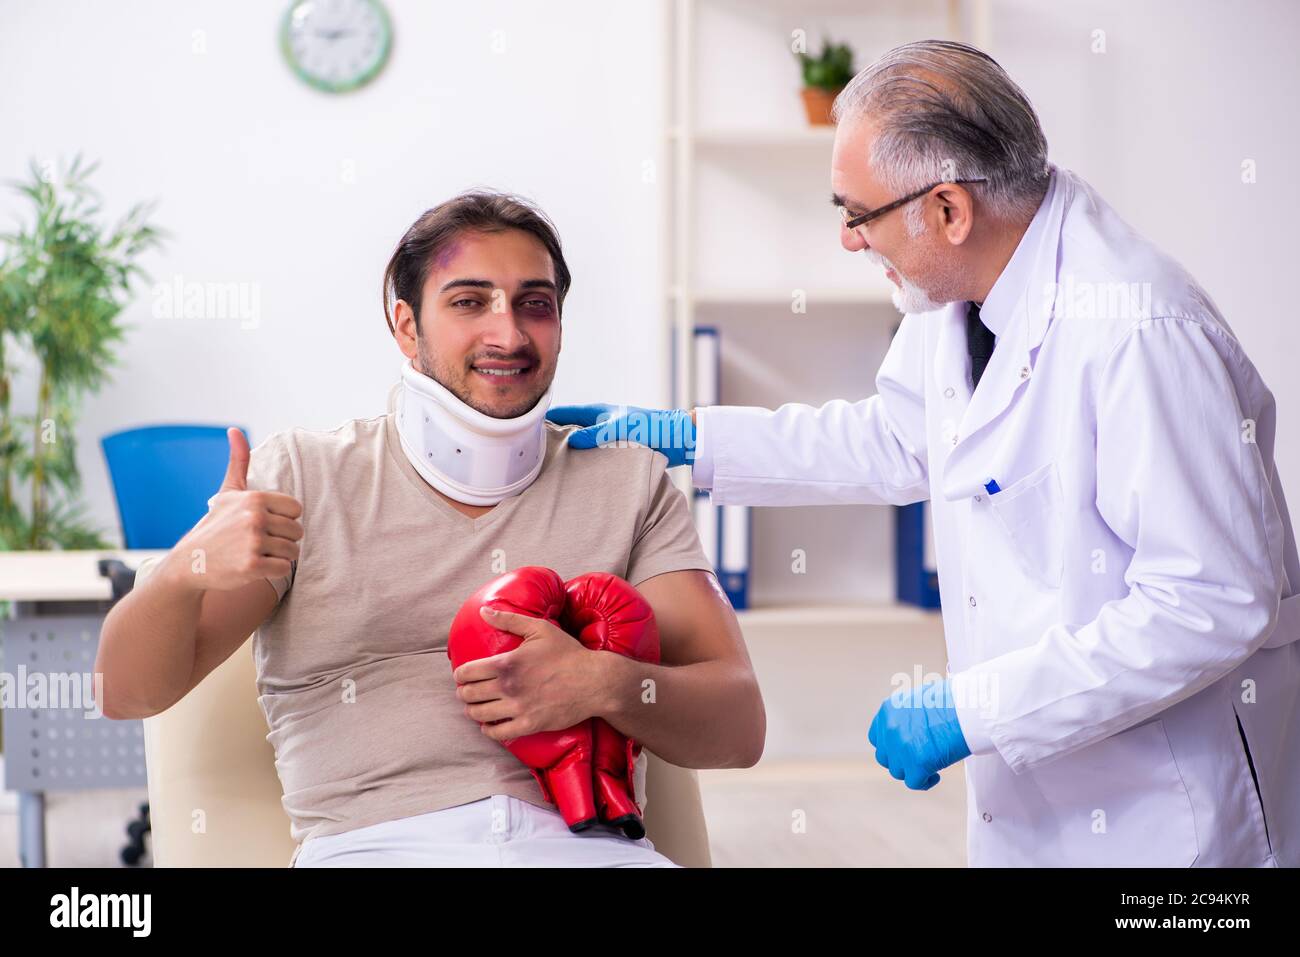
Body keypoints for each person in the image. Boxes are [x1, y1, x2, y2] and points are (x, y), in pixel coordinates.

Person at [551, 40, 1299, 867]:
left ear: (948, 209)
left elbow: (1214, 600)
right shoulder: (961, 293)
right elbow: (901, 438)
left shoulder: (1138, 332)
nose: (847, 239)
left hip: (1168, 814)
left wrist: (973, 710)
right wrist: (694, 439)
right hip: (1036, 803)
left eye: (856, 213)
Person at [95, 191, 765, 867]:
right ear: (407, 327)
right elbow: (123, 692)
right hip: (376, 848)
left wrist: (603, 683)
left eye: (535, 302)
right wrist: (186, 568)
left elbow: (741, 728)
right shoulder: (305, 476)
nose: (508, 333)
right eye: (470, 301)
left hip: (591, 852)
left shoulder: (628, 481)